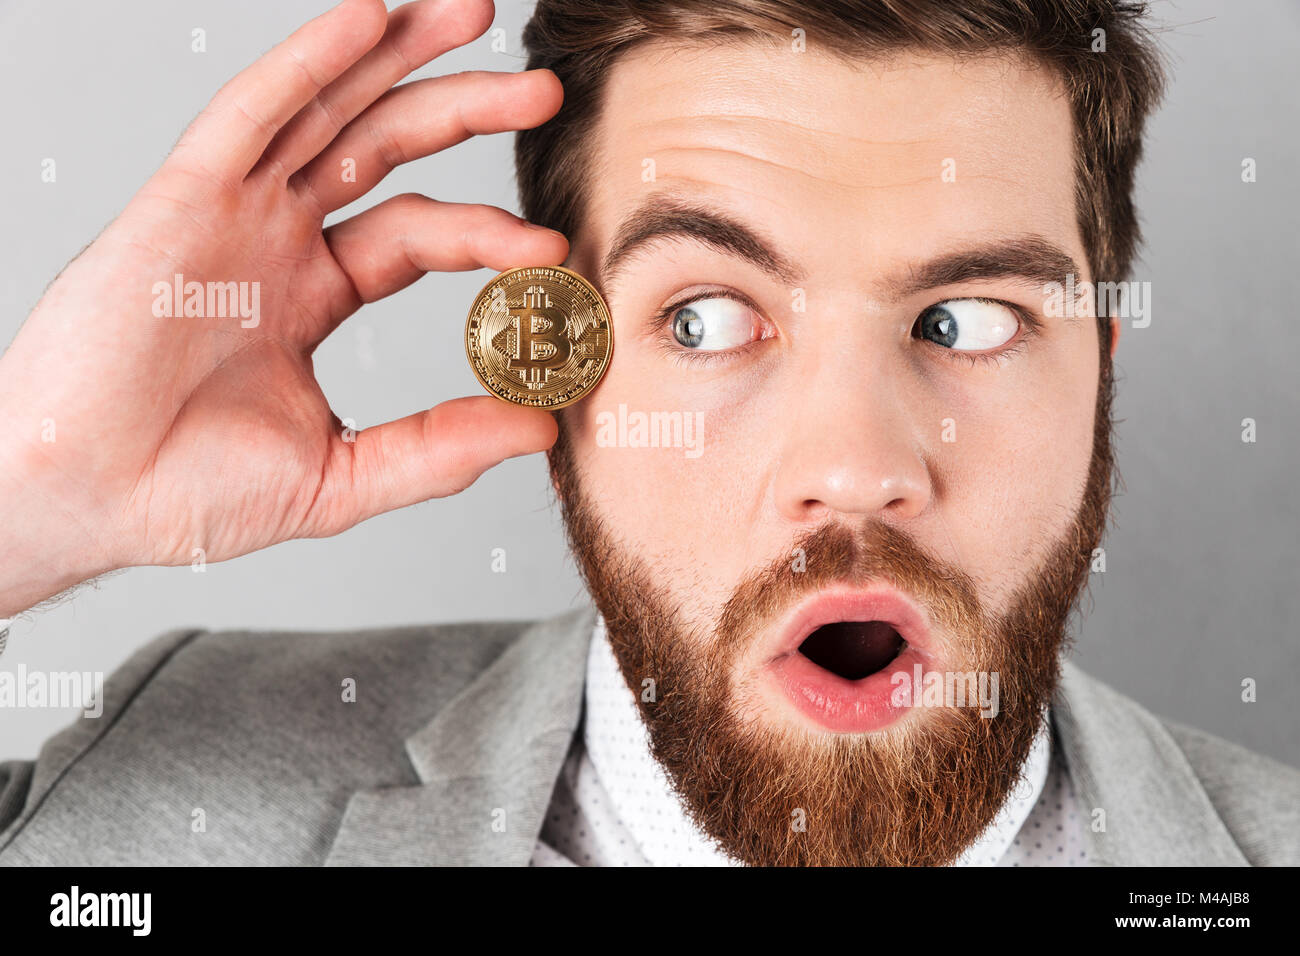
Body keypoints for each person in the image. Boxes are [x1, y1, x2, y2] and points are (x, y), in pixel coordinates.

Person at [0, 0, 1296, 867]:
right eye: (707, 317)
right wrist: (28, 499)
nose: (852, 469)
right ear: (562, 368)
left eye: (964, 322)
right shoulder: (156, 784)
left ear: (1101, 370)